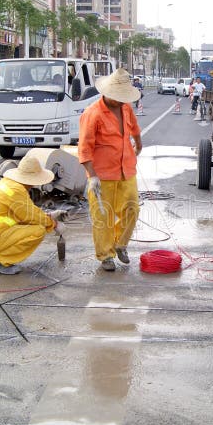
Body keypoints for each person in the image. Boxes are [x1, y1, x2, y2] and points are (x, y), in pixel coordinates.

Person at [78, 68, 143, 272]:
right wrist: (92, 176)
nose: (121, 101)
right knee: (103, 216)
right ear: (107, 93)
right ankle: (105, 255)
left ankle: (120, 244)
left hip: (126, 169)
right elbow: (84, 148)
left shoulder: (125, 108)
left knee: (133, 208)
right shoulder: (92, 114)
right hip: (102, 174)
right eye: (118, 97)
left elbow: (134, 128)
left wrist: (139, 145)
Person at [0, 156, 65, 274]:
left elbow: (26, 213)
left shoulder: (10, 184)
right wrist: (53, 224)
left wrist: (48, 215)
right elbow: (31, 216)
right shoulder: (16, 191)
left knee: (36, 224)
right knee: (38, 231)